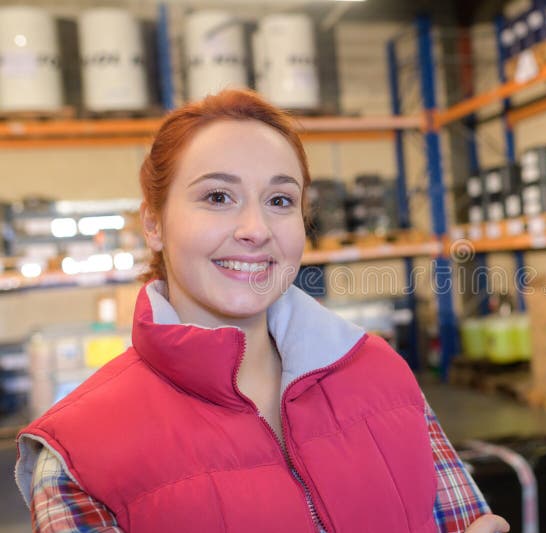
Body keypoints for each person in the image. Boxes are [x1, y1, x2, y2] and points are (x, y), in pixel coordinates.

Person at [14, 89, 510, 533]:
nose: (255, 228)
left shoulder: (383, 373)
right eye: (217, 196)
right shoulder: (76, 457)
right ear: (154, 224)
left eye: (279, 199)